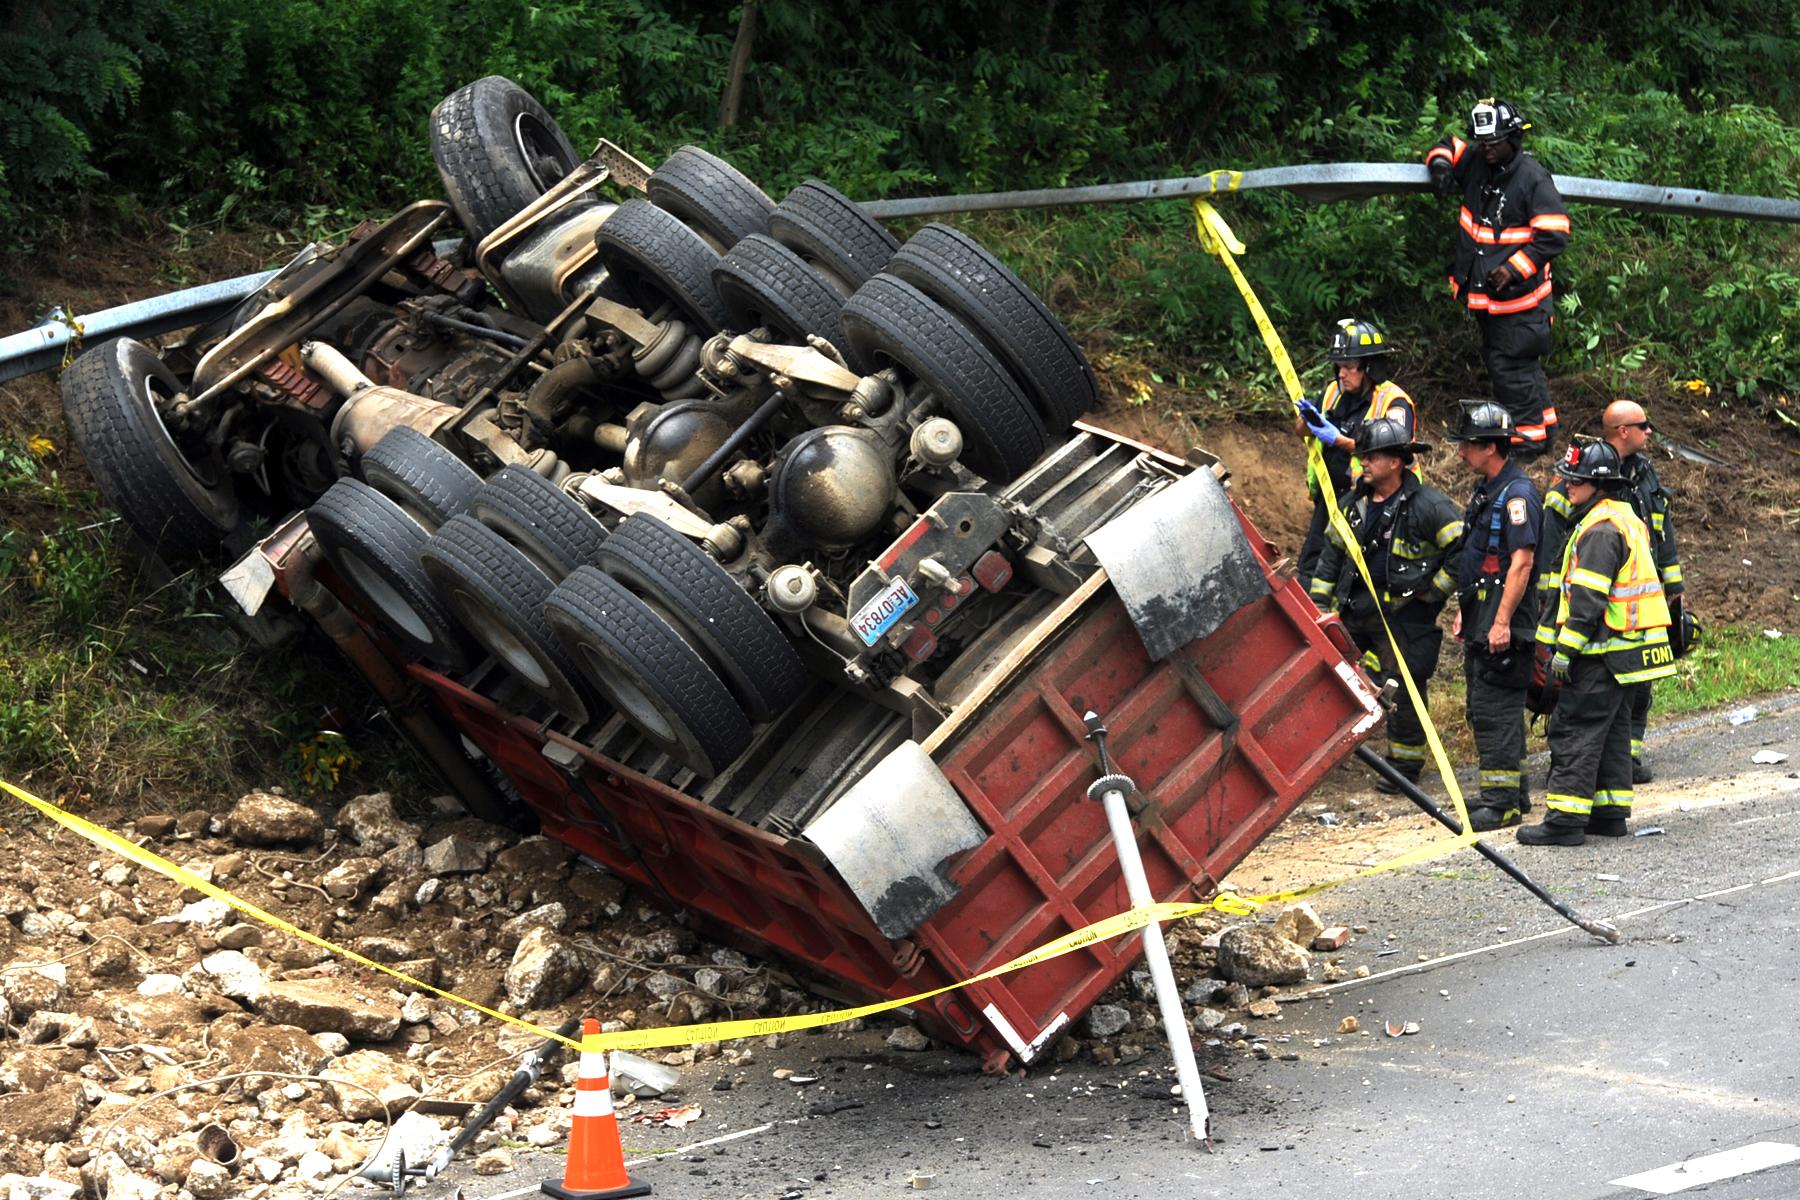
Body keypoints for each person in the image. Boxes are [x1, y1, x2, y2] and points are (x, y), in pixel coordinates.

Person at [1519, 441, 1678, 845]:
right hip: (1625, 656)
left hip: (1600, 655)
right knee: (1611, 734)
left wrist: (1564, 651)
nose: (1568, 485)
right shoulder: (1624, 518)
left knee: (1575, 730)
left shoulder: (1600, 530)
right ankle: (1609, 813)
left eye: (1577, 479)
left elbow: (1587, 603)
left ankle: (1564, 821)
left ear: (1600, 484)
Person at [1532, 400, 1685, 781]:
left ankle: (1622, 764)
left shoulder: (1644, 475)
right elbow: (1554, 551)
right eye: (1643, 425)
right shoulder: (1577, 480)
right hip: (1591, 614)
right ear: (1622, 430)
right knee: (1585, 699)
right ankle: (1586, 769)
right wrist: (1550, 608)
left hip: (1631, 612)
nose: (1649, 431)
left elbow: (1661, 533)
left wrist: (1675, 588)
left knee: (1634, 692)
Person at [1308, 418, 1464, 789]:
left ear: (1395, 461)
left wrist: (1433, 593)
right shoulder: (1353, 504)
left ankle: (1404, 767)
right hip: (1353, 610)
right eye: (1362, 455)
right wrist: (1319, 606)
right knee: (1329, 677)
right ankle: (1317, 758)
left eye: (1371, 456)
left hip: (1401, 617)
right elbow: (1330, 557)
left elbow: (1462, 551)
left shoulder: (1429, 506)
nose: (1363, 462)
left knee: (1404, 687)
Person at [1425, 98, 1570, 458]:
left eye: (1494, 143)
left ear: (1513, 138)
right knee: (1522, 369)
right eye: (1482, 142)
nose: (1487, 149)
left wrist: (1514, 268)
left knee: (1510, 369)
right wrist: (1440, 166)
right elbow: (1448, 145)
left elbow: (1555, 233)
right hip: (1492, 301)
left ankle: (1527, 444)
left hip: (1521, 304)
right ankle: (1545, 431)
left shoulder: (1532, 178)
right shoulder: (1478, 162)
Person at [1448, 400, 1540, 830]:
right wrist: (1467, 613)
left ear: (1491, 447)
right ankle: (1513, 793)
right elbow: (1482, 559)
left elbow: (1521, 563)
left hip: (1505, 621)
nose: (1461, 451)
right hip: (1483, 614)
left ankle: (1500, 803)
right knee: (1489, 705)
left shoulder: (1517, 495)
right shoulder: (1489, 491)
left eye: (1468, 444)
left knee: (1495, 708)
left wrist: (1501, 621)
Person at [1294, 317, 1417, 592]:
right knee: (1311, 569)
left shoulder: (1394, 402)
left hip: (1373, 504)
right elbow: (1301, 430)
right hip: (1329, 498)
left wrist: (1338, 440)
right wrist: (1306, 420)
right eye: (1338, 366)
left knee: (1349, 576)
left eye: (1349, 367)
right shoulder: (1332, 393)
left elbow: (1391, 452)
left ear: (1370, 367)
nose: (1342, 374)